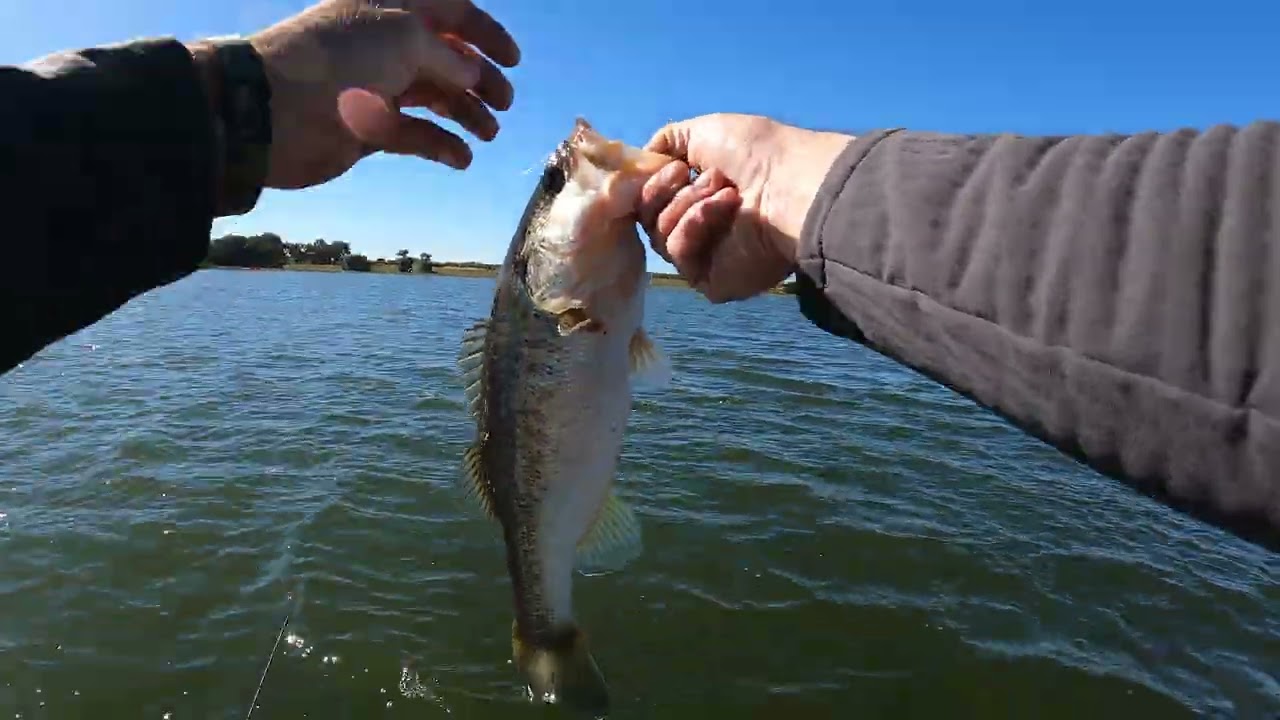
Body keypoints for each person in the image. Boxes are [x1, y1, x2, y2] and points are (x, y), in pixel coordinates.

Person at [1, 0, 1275, 554]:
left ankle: (540, 607)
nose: (572, 175)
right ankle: (543, 609)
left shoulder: (575, 292)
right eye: (554, 194)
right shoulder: (567, 295)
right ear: (545, 263)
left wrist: (229, 108)